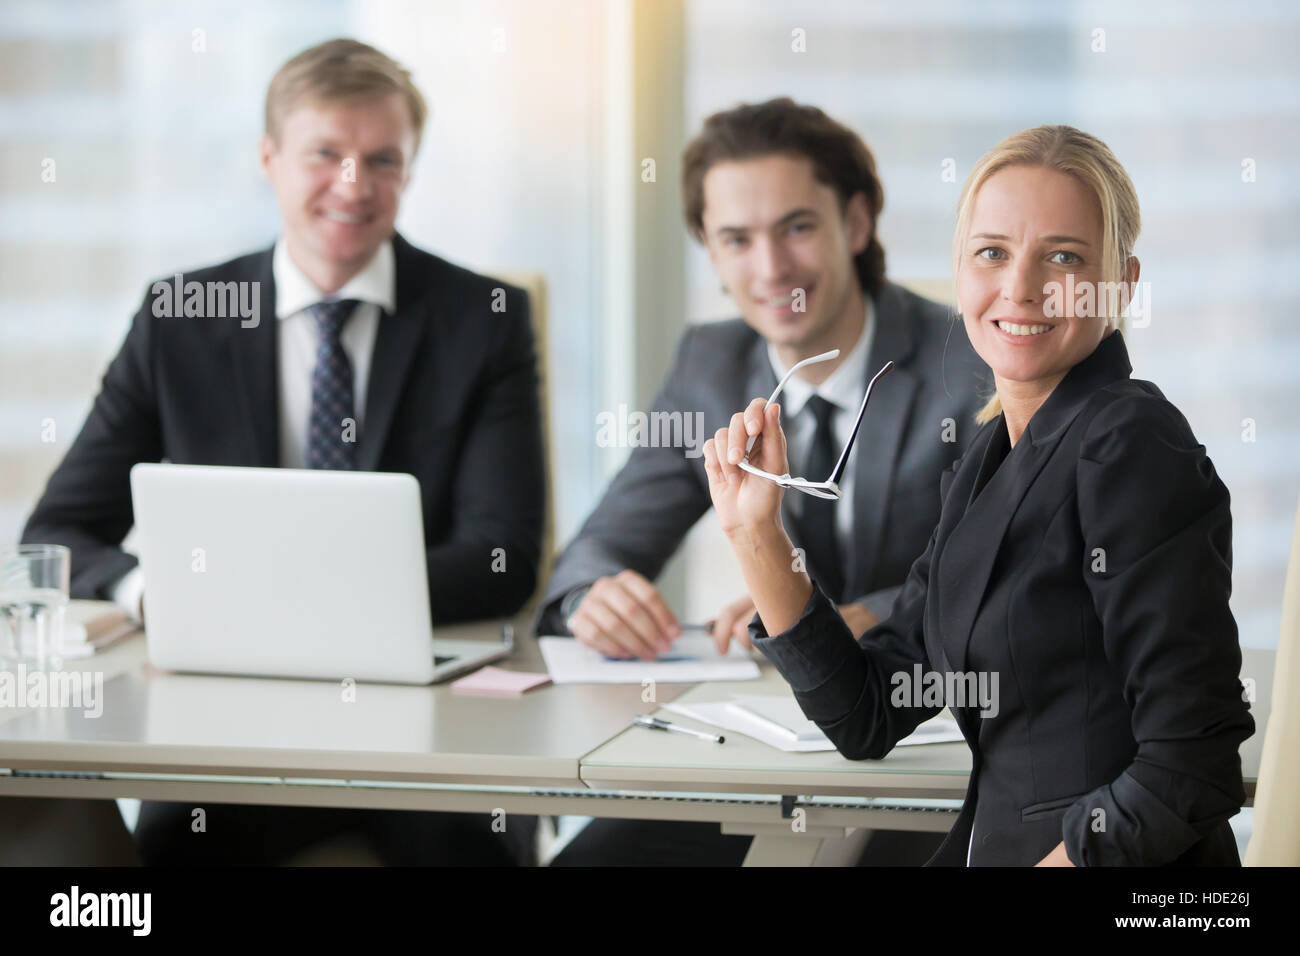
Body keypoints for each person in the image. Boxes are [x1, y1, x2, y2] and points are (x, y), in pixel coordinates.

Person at [20, 38, 545, 866]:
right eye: (325, 154)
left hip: (433, 738)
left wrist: (266, 603)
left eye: (382, 160)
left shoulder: (482, 319)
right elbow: (58, 535)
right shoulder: (182, 316)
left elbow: (503, 558)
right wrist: (162, 593)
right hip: (225, 738)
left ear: (408, 171)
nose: (352, 185)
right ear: (269, 158)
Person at [702, 124, 1254, 866]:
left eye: (1062, 257)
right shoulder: (989, 462)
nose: (1018, 288)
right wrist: (754, 533)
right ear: (960, 274)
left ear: (1121, 284)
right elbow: (868, 712)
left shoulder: (1130, 441)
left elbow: (1192, 764)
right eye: (992, 253)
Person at [544, 98, 987, 866]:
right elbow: (601, 545)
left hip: (926, 749)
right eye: (736, 240)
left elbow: (1001, 578)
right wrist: (593, 596)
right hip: (760, 750)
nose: (770, 268)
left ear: (855, 224)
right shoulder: (710, 364)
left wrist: (824, 615)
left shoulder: (971, 366)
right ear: (711, 256)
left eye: (797, 227)